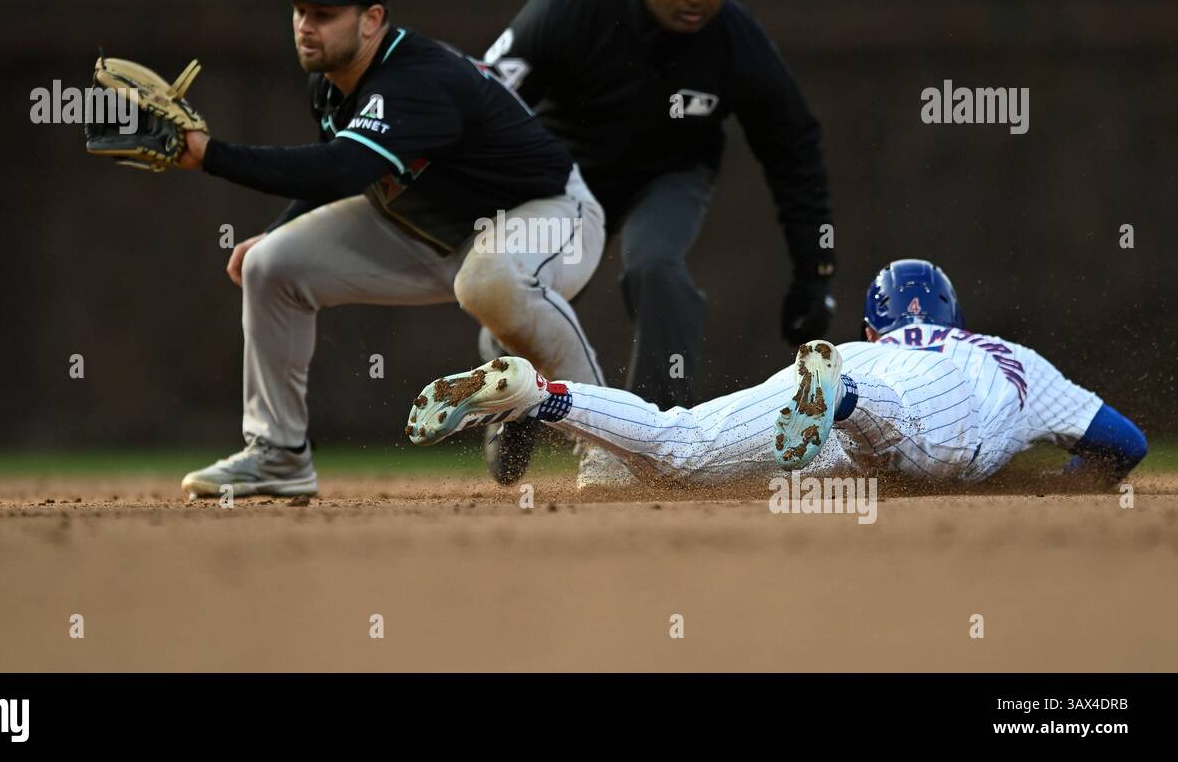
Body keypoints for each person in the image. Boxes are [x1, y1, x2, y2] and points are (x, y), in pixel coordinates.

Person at [176, 0, 606, 498]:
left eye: (325, 14)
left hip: (551, 217)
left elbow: (341, 169)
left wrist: (209, 154)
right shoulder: (332, 82)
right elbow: (344, 164)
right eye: (300, 11)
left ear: (373, 19)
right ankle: (276, 456)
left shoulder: (416, 79)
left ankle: (607, 441)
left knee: (489, 282)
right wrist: (281, 227)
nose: (306, 25)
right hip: (429, 231)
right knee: (269, 266)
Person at [478, 0, 836, 485]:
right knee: (525, 282)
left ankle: (649, 441)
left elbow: (794, 148)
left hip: (670, 176)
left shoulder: (736, 42)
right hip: (565, 170)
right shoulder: (574, 5)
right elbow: (488, 97)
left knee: (657, 267)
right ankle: (513, 396)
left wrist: (813, 273)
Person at [405, 260, 1146, 489]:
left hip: (839, 384)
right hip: (917, 397)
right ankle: (843, 400)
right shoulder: (1003, 355)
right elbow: (1126, 442)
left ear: (871, 323)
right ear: (954, 314)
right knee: (929, 450)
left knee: (682, 449)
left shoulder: (867, 342)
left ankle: (543, 395)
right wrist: (1062, 483)